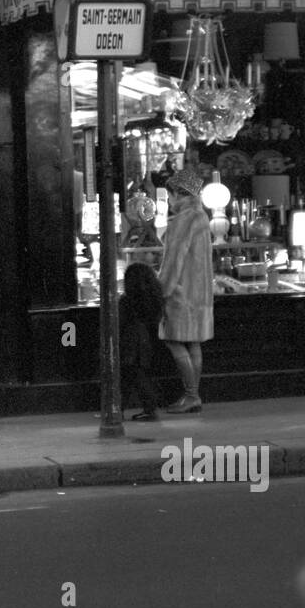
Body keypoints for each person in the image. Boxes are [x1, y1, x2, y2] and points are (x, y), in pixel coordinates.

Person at [158, 167, 214, 414]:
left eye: (170, 195)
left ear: (178, 194)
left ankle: (191, 396)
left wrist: (162, 291)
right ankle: (194, 395)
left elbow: (173, 260)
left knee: (172, 339)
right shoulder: (201, 217)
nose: (169, 200)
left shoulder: (182, 220)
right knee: (193, 342)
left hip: (180, 293)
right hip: (200, 293)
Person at [119, 261, 164, 422]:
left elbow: (121, 321)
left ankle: (147, 409)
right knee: (135, 375)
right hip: (145, 341)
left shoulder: (127, 301)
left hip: (131, 342)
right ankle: (122, 408)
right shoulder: (153, 297)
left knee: (132, 376)